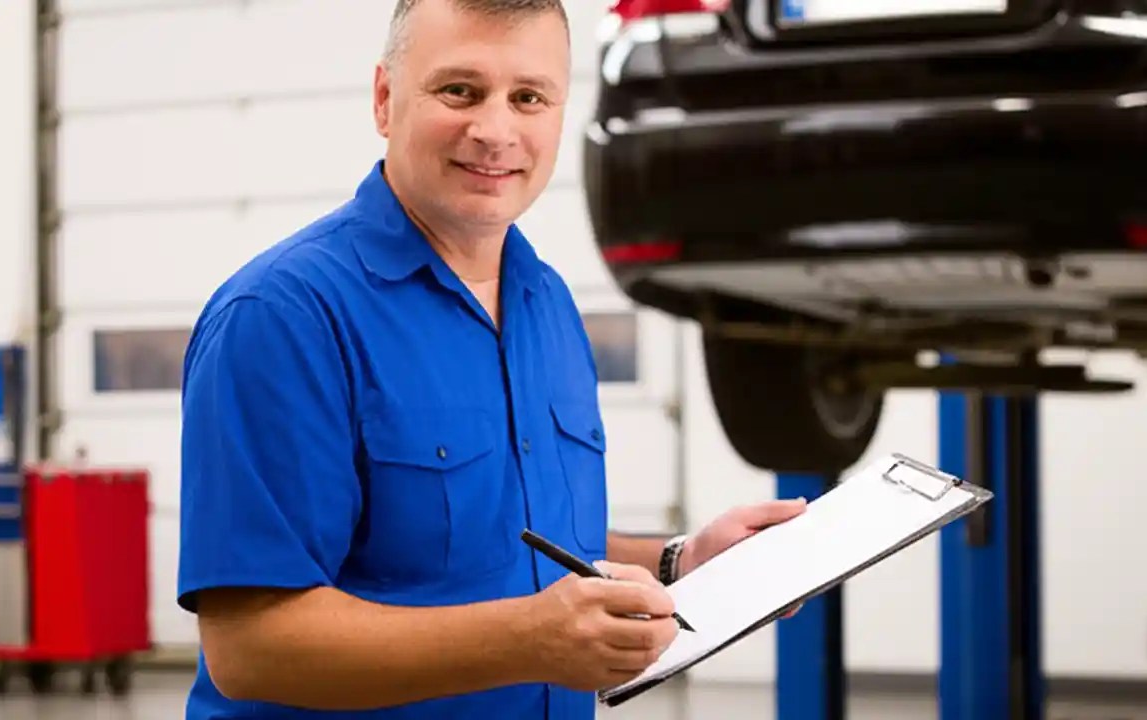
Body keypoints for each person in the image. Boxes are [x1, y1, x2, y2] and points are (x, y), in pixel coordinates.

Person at [176, 1, 807, 718]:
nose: (496, 131)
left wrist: (678, 561)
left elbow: (500, 528)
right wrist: (529, 639)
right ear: (385, 99)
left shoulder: (548, 305)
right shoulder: (283, 318)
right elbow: (251, 646)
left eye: (529, 98)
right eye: (460, 91)